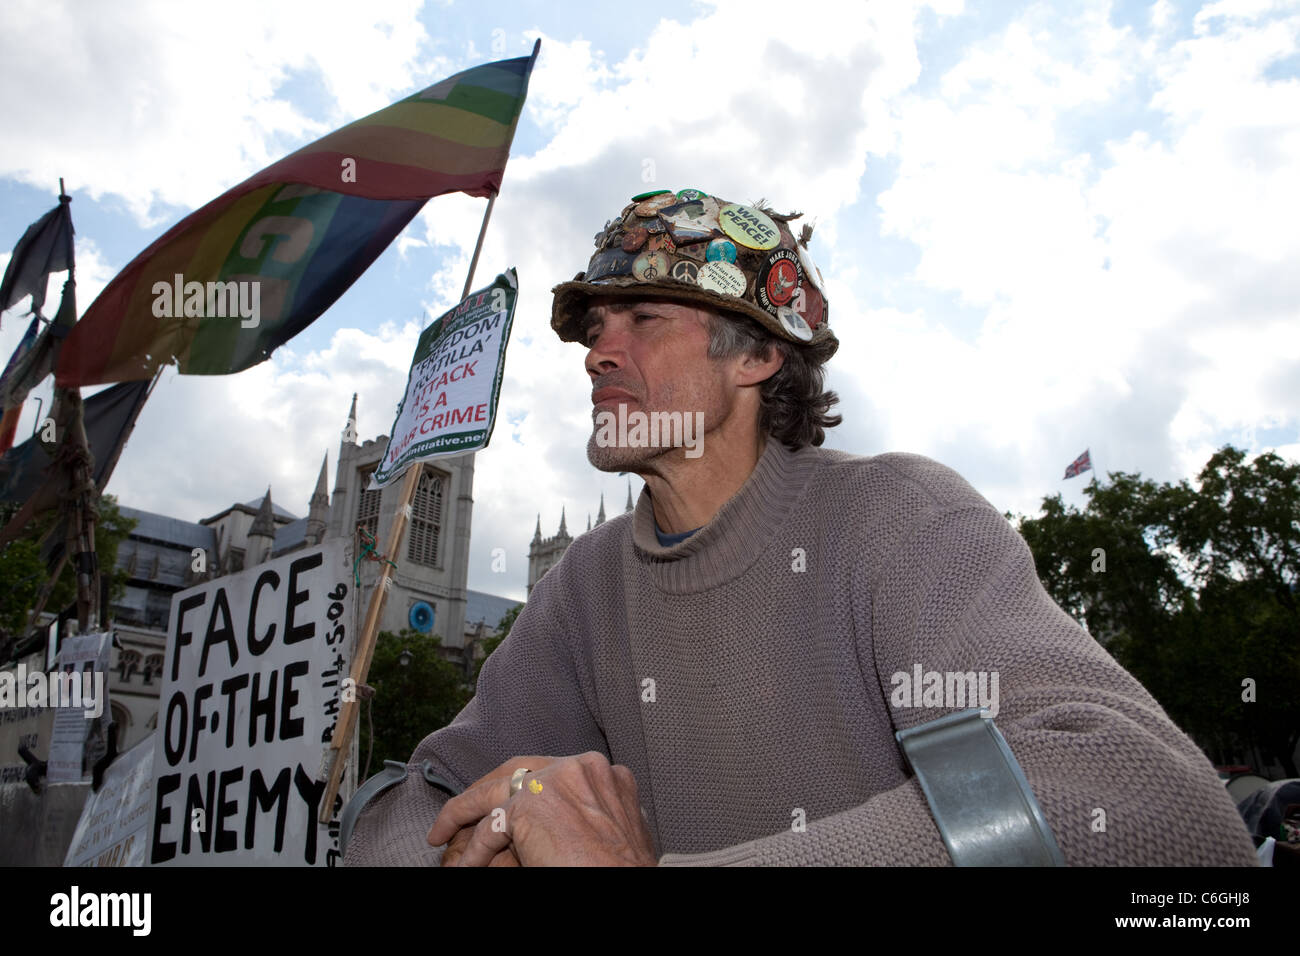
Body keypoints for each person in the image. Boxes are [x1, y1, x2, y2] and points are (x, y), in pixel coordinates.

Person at [343, 189, 1258, 866]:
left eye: (644, 318)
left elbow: (1153, 808)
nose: (598, 352)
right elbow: (413, 798)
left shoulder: (902, 522)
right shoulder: (582, 588)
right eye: (594, 329)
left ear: (758, 356)